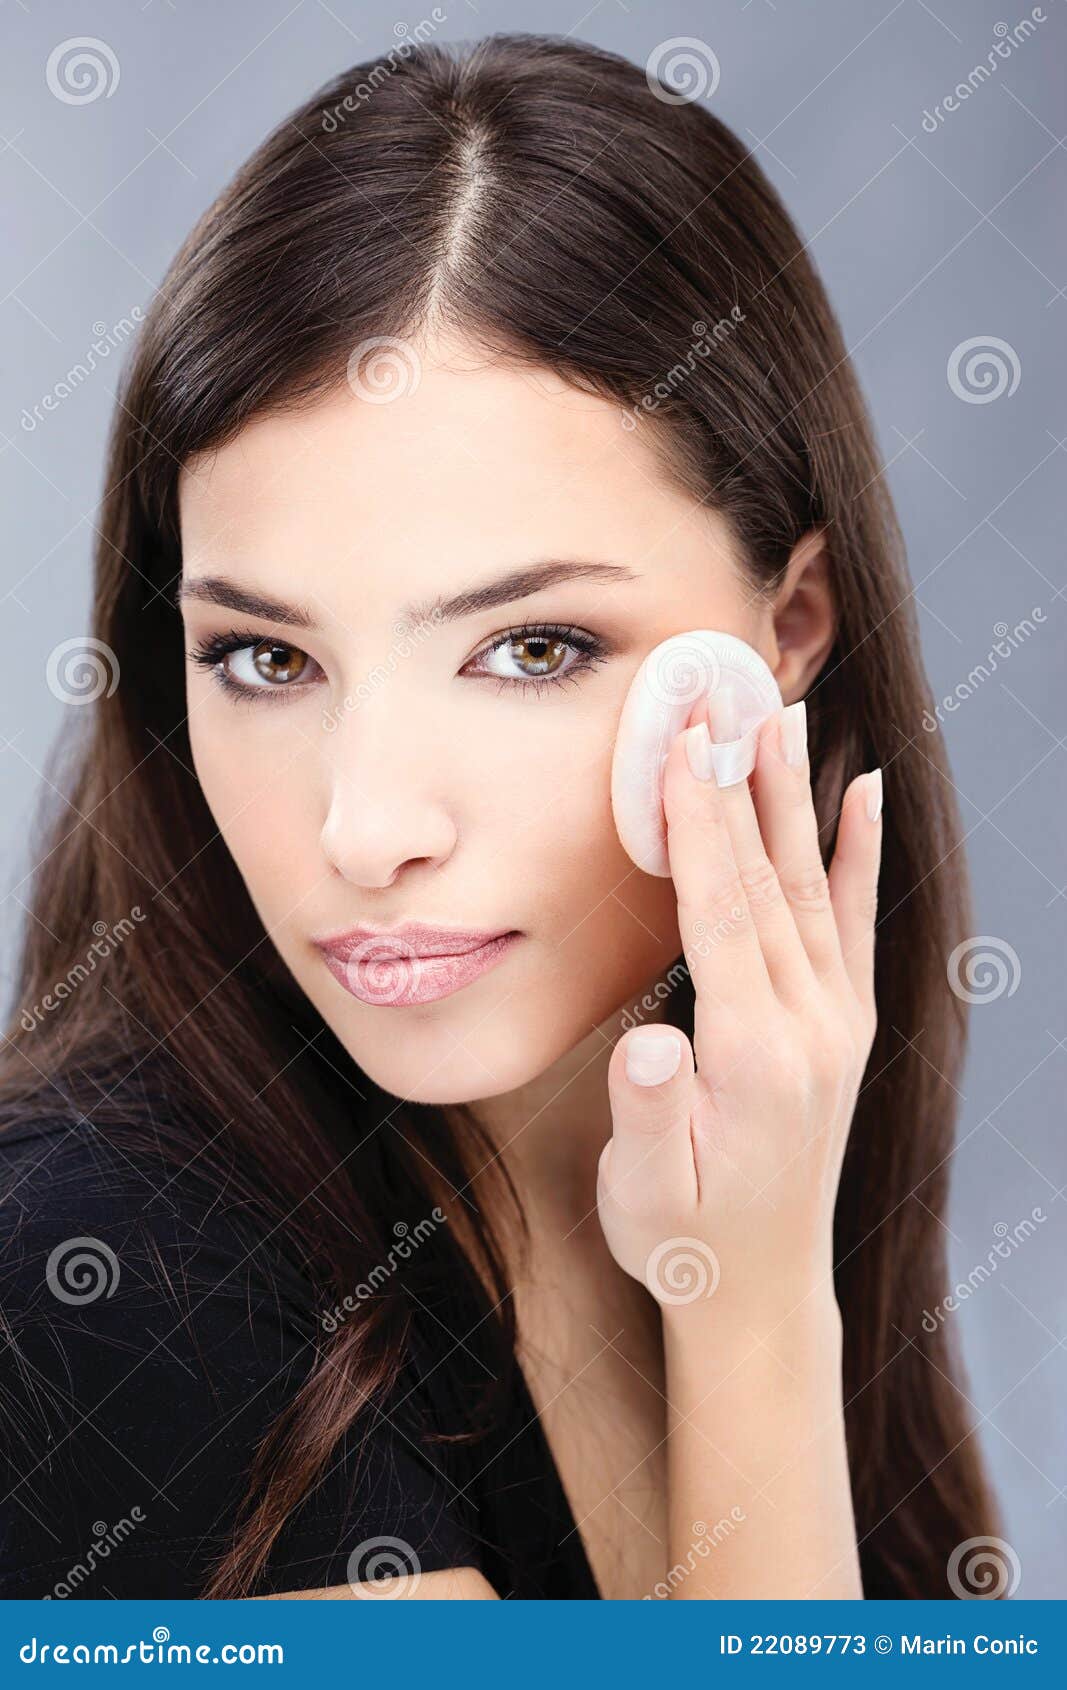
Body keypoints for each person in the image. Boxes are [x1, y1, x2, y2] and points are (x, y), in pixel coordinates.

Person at [0, 32, 1001, 1600]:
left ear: (788, 628)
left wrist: (750, 1273)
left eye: (530, 649)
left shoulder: (759, 1172)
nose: (364, 825)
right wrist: (749, 1317)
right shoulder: (110, 1260)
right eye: (264, 656)